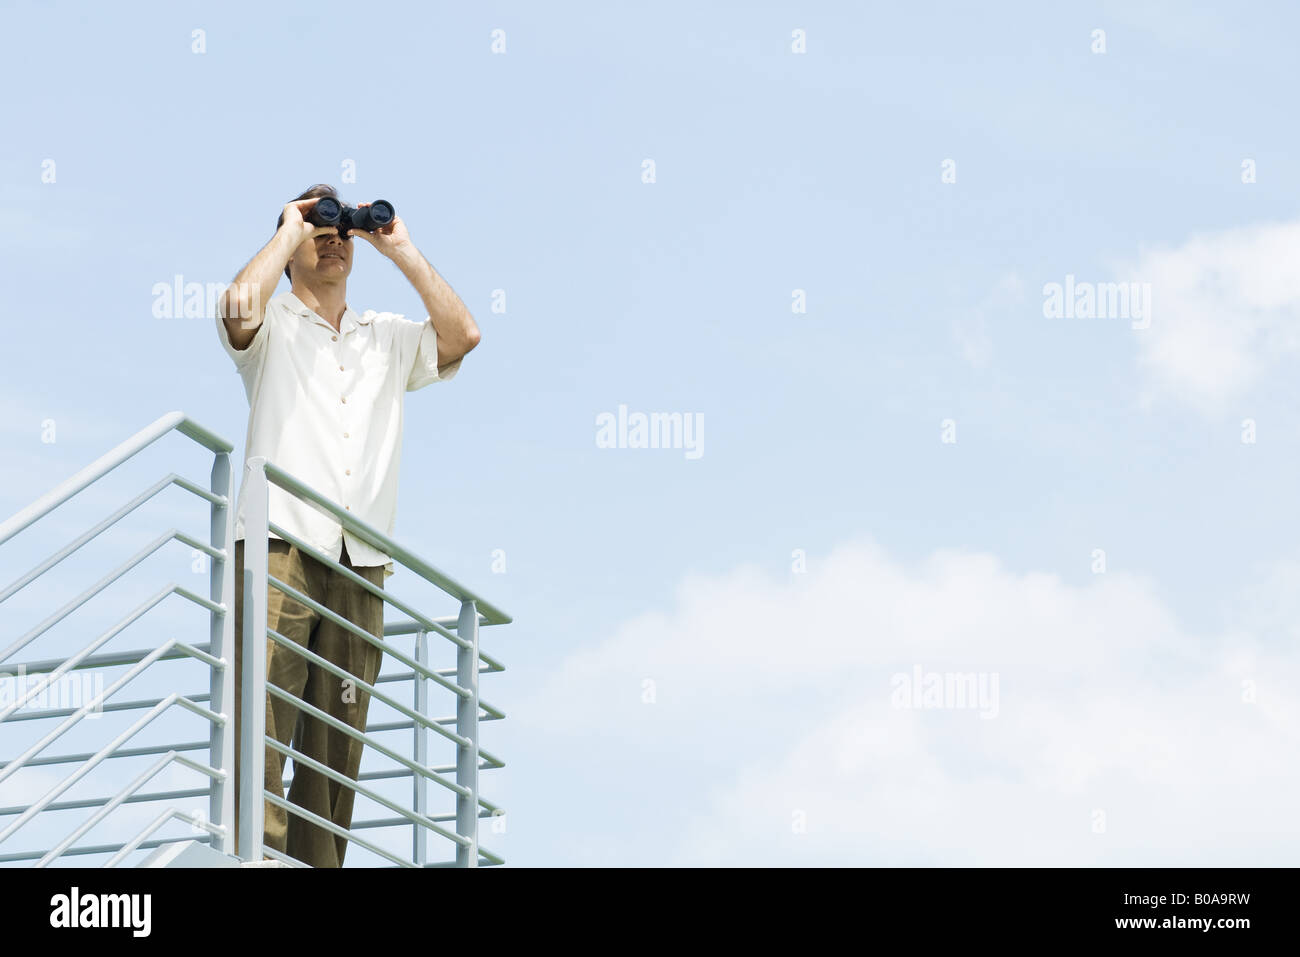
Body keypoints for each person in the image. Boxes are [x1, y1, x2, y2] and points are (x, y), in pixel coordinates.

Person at [214, 184, 480, 866]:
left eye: (339, 226)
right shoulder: (270, 324)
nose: (331, 236)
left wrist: (398, 248)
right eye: (317, 225)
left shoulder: (384, 337)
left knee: (339, 740)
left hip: (360, 558)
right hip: (279, 542)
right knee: (262, 718)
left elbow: (463, 335)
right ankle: (259, 859)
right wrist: (287, 229)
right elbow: (237, 306)